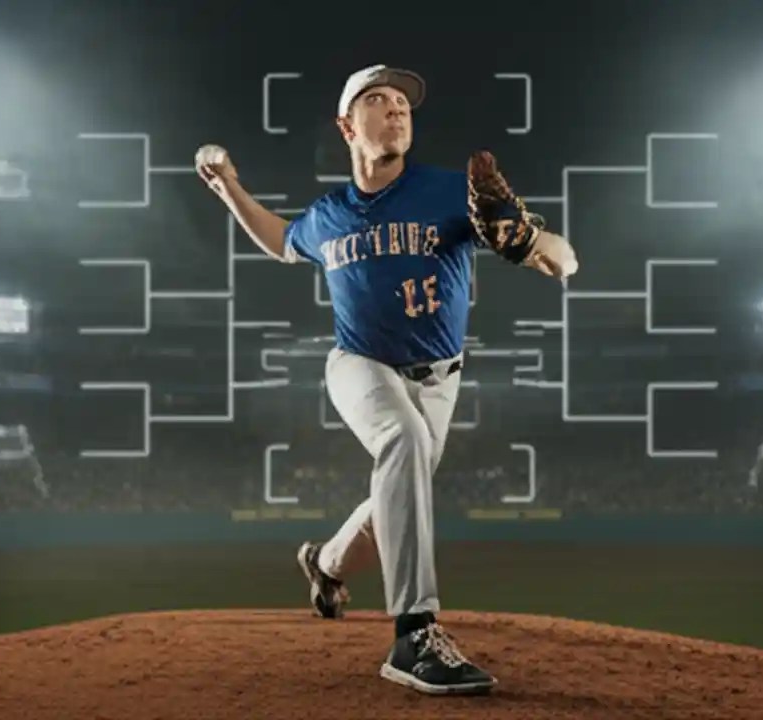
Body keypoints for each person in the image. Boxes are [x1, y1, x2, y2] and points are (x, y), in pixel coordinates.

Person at [196, 64, 578, 696]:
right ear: (348, 125)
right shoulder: (329, 215)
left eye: (402, 102)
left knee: (396, 497)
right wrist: (229, 187)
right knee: (401, 444)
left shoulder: (451, 192)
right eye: (378, 100)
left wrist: (538, 246)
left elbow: (556, 253)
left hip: (439, 379)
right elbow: (280, 241)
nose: (396, 109)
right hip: (358, 364)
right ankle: (415, 633)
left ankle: (324, 565)